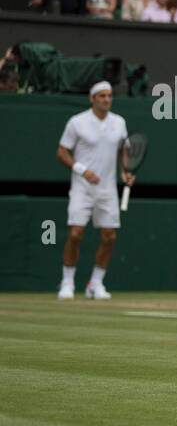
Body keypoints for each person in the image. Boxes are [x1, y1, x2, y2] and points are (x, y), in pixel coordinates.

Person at [55, 81, 133, 299]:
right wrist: (81, 170)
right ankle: (67, 282)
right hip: (82, 188)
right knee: (75, 233)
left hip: (107, 190)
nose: (107, 100)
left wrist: (125, 171)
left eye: (109, 96)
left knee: (109, 237)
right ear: (92, 98)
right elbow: (61, 152)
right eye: (102, 96)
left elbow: (123, 152)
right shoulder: (76, 122)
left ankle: (95, 283)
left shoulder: (119, 123)